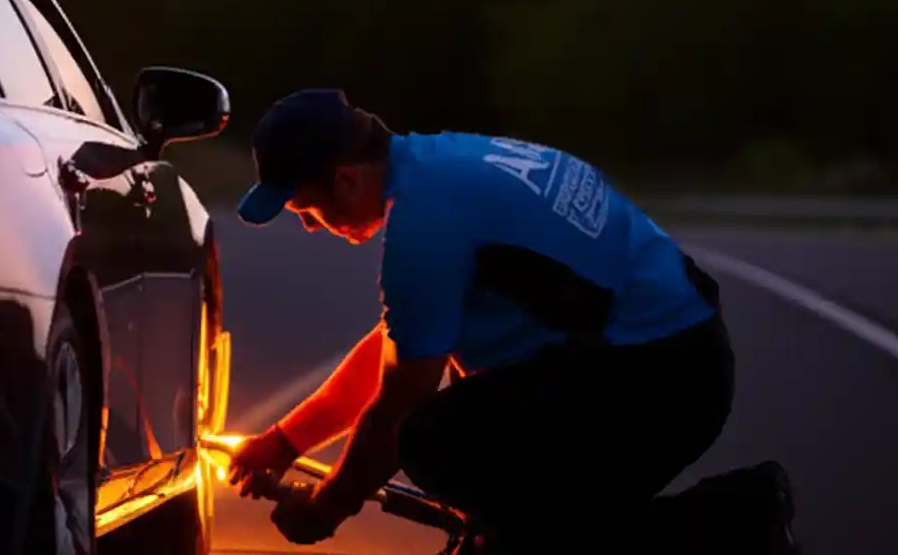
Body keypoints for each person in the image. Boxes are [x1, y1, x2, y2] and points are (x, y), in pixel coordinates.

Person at [227, 88, 799, 554]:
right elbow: (396, 353)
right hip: (670, 354)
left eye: (306, 208)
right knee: (469, 444)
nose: (309, 226)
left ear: (345, 179)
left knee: (433, 442)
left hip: (664, 380)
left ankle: (738, 522)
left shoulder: (425, 225)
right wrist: (283, 441)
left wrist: (327, 508)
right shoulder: (440, 165)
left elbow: (399, 400)